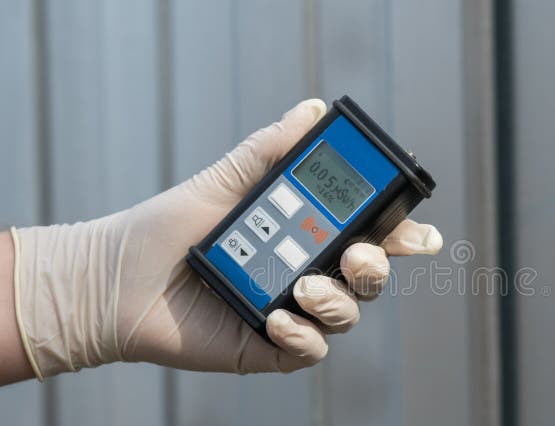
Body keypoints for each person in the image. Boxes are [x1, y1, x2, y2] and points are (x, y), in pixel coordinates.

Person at [0, 99, 442, 386]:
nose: (325, 188)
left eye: (341, 191)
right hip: (203, 264)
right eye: (322, 174)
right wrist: (85, 286)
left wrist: (81, 299)